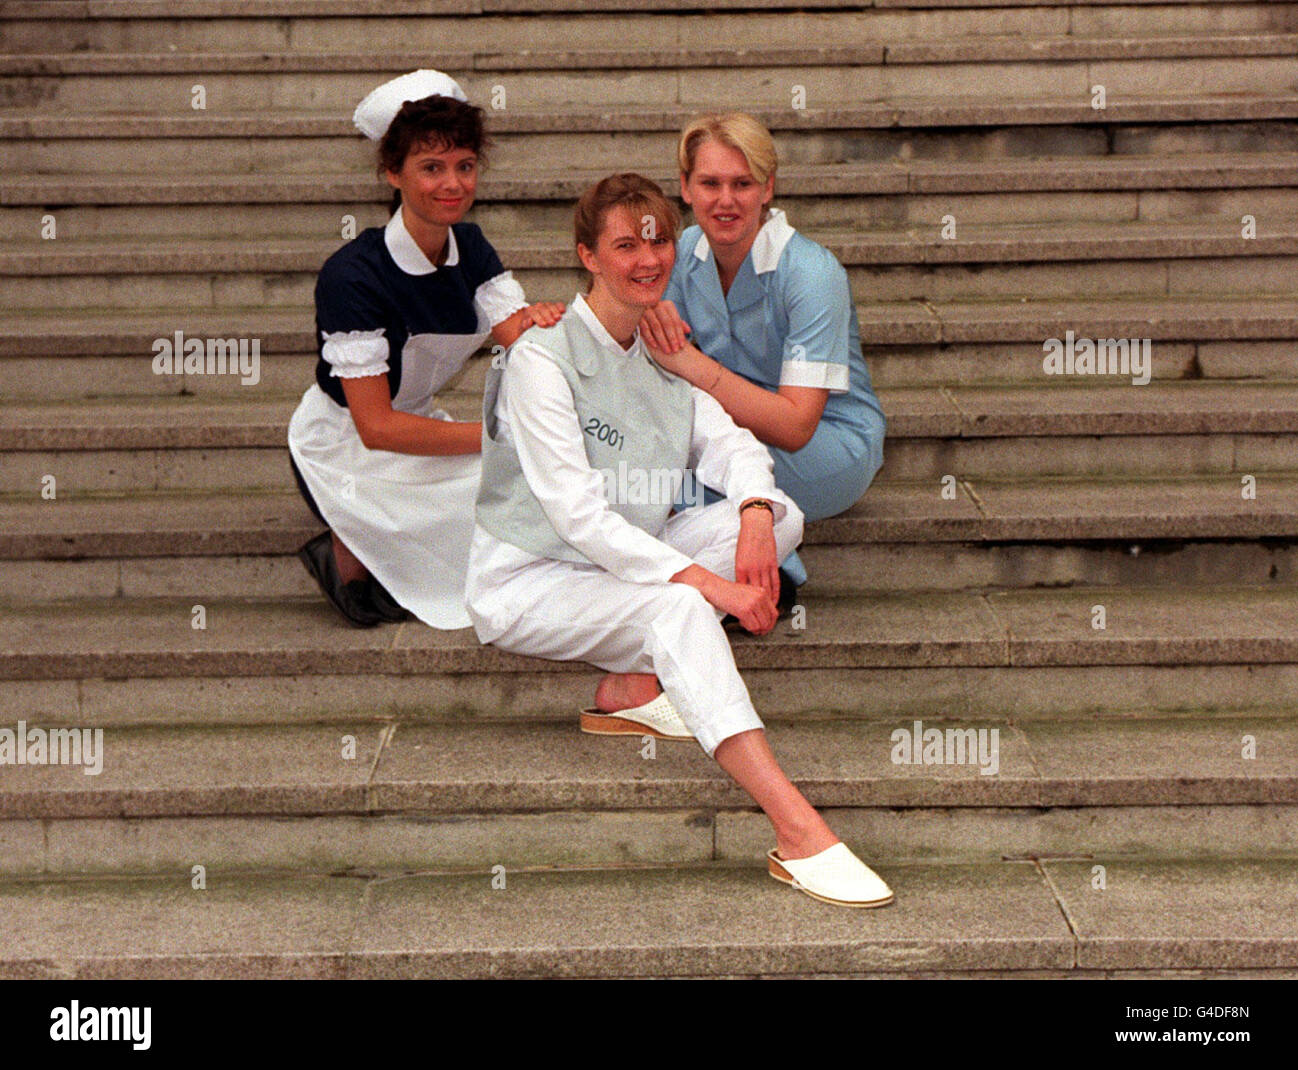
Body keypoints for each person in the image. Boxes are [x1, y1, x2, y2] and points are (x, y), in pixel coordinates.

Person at [464, 173, 893, 908]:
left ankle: (631, 688)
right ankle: (799, 832)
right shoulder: (541, 358)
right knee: (682, 613)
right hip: (528, 578)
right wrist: (713, 587)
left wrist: (756, 509)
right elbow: (579, 518)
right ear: (588, 257)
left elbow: (733, 447)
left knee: (781, 514)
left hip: (622, 563)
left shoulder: (659, 344)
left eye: (657, 240)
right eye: (625, 245)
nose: (646, 259)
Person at [287, 69, 564, 628]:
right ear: (393, 173)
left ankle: (386, 540)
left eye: (465, 166)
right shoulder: (354, 277)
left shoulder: (472, 247)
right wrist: (498, 439)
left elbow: (521, 339)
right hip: (347, 444)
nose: (453, 184)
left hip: (423, 428)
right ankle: (348, 548)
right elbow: (377, 428)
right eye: (431, 168)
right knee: (506, 497)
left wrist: (559, 323)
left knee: (528, 498)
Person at [640, 112, 887, 594]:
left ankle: (762, 575)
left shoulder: (811, 274)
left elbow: (795, 427)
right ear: (686, 189)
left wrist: (689, 363)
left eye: (743, 183)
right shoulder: (684, 251)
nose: (726, 200)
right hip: (736, 430)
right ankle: (764, 570)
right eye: (709, 183)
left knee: (668, 472)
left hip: (827, 443)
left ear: (768, 188)